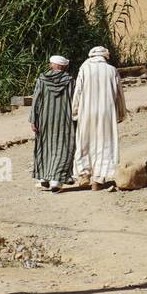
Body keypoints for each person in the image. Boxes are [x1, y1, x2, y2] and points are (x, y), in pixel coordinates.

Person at [71, 45, 127, 191]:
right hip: (106, 113)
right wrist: (121, 113)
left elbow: (78, 91)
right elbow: (119, 94)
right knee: (105, 144)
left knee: (84, 141)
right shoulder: (111, 70)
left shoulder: (84, 68)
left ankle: (84, 174)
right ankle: (98, 179)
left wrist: (75, 111)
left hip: (86, 112)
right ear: (105, 57)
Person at [29, 56, 75, 192]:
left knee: (44, 147)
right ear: (63, 67)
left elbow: (36, 100)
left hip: (44, 119)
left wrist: (33, 119)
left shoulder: (41, 80)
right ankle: (56, 181)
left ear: (52, 65)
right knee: (63, 148)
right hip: (64, 120)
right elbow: (74, 99)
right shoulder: (70, 81)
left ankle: (44, 178)